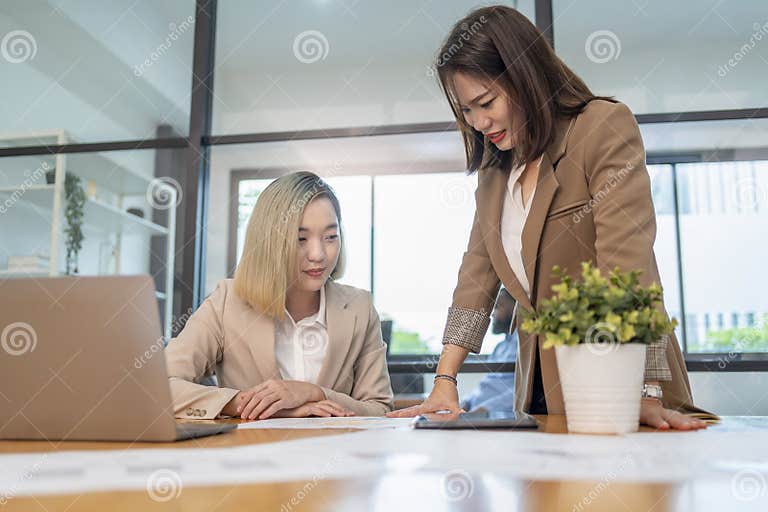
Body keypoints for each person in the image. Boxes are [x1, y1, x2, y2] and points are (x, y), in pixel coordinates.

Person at [389, 6, 708, 430]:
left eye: (486, 102)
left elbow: (628, 270)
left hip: (624, 377)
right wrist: (445, 378)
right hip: (542, 387)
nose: (479, 123)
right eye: (466, 111)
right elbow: (476, 277)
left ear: (526, 78)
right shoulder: (495, 171)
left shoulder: (600, 128)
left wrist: (640, 388)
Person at [165, 172, 393, 420]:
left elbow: (380, 409)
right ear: (269, 241)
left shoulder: (360, 307)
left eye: (330, 237)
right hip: (253, 445)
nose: (318, 254)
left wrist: (315, 393)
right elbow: (159, 386)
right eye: (300, 239)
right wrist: (244, 404)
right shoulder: (226, 301)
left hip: (336, 446)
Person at [461, 288, 517, 412]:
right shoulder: (500, 347)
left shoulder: (523, 348)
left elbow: (521, 392)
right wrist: (467, 402)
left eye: (497, 307)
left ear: (515, 309)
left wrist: (484, 409)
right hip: (475, 410)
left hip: (497, 415)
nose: (492, 314)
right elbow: (487, 383)